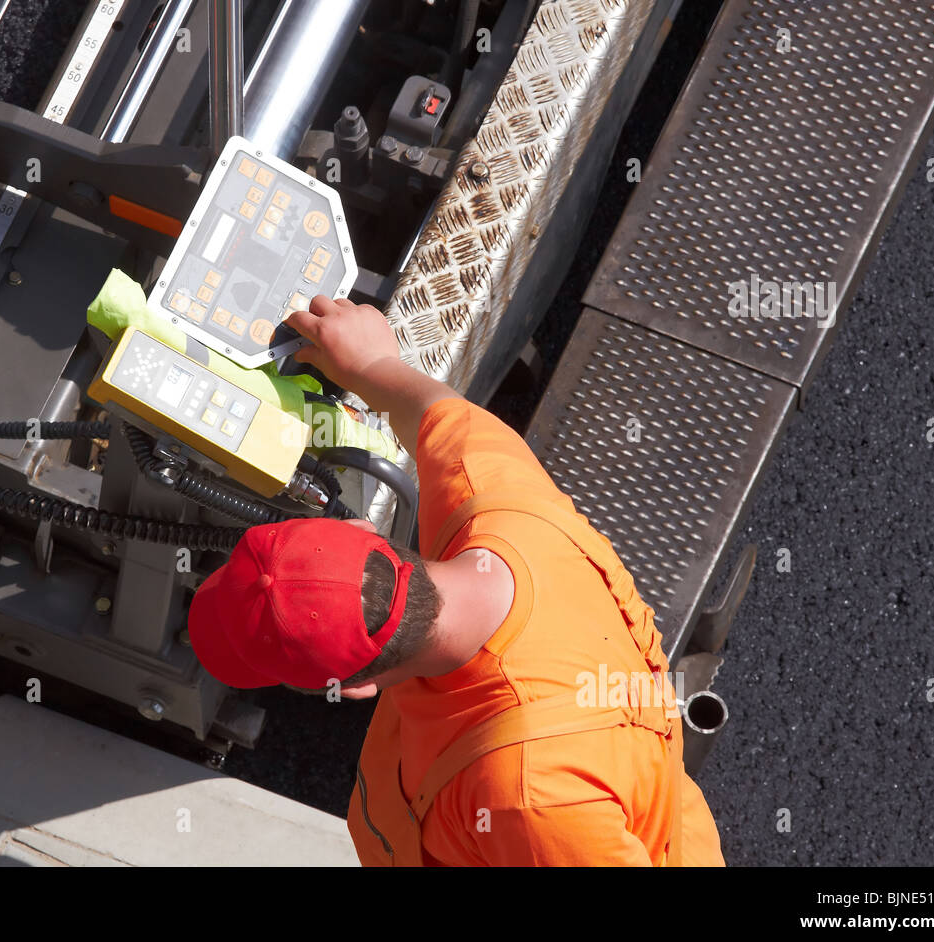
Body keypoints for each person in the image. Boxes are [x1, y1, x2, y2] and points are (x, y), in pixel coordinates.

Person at [188, 295, 725, 866]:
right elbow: (433, 409)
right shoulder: (490, 495)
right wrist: (372, 368)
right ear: (358, 529)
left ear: (355, 687)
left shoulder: (527, 800)